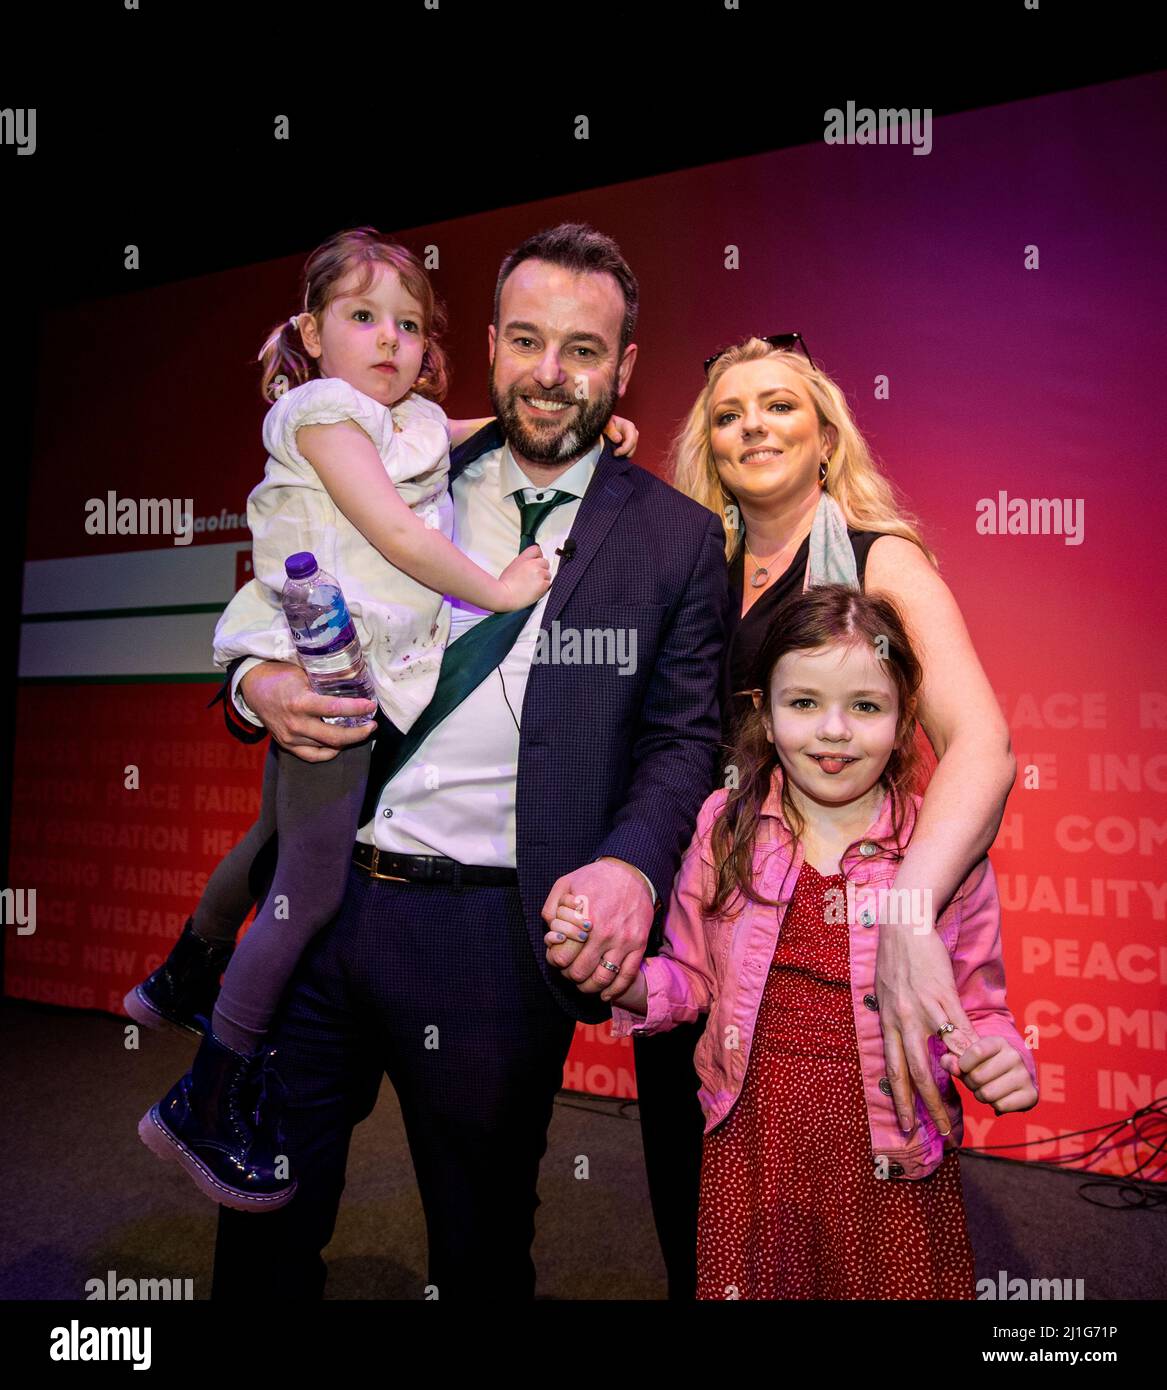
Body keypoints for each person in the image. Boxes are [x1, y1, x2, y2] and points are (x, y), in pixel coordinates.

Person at [204, 222, 731, 1297]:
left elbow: (685, 740)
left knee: (482, 1242)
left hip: (495, 935)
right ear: (488, 344)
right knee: (259, 1218)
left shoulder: (676, 539)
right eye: (526, 340)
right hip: (326, 896)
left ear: (624, 366)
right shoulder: (403, 456)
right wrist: (254, 687)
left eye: (582, 350)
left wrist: (631, 868)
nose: (550, 373)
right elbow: (270, 585)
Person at [128, 225, 636, 1211]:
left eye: (409, 323)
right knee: (304, 890)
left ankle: (184, 976)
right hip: (328, 658)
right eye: (364, 317)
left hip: (368, 693)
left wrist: (591, 425)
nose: (392, 339)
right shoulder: (322, 412)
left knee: (274, 837)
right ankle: (206, 1096)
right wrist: (499, 587)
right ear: (312, 332)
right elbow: (396, 531)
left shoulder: (400, 418)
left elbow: (451, 440)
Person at [548, 334, 1018, 1297]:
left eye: (778, 406)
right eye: (727, 414)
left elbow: (984, 747)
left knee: (859, 1220)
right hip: (702, 901)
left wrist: (908, 918)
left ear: (825, 434)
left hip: (826, 910)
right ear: (706, 444)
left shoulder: (879, 560)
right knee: (705, 1195)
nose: (751, 426)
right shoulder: (689, 559)